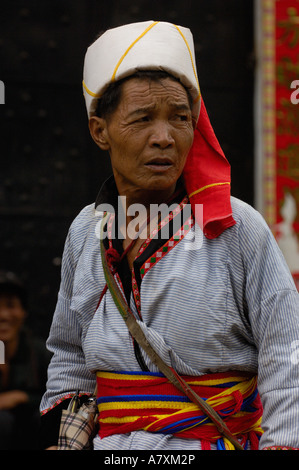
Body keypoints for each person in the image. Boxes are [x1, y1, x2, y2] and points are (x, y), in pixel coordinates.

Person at [39, 21, 299, 450]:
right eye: (142, 119)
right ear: (99, 130)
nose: (164, 138)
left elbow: (287, 353)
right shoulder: (86, 231)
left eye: (180, 118)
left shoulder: (239, 227)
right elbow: (69, 358)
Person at [0, 272, 50, 449]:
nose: (3, 315)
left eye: (10, 305)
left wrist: (22, 397)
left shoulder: (39, 353)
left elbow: (60, 398)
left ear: (23, 312)